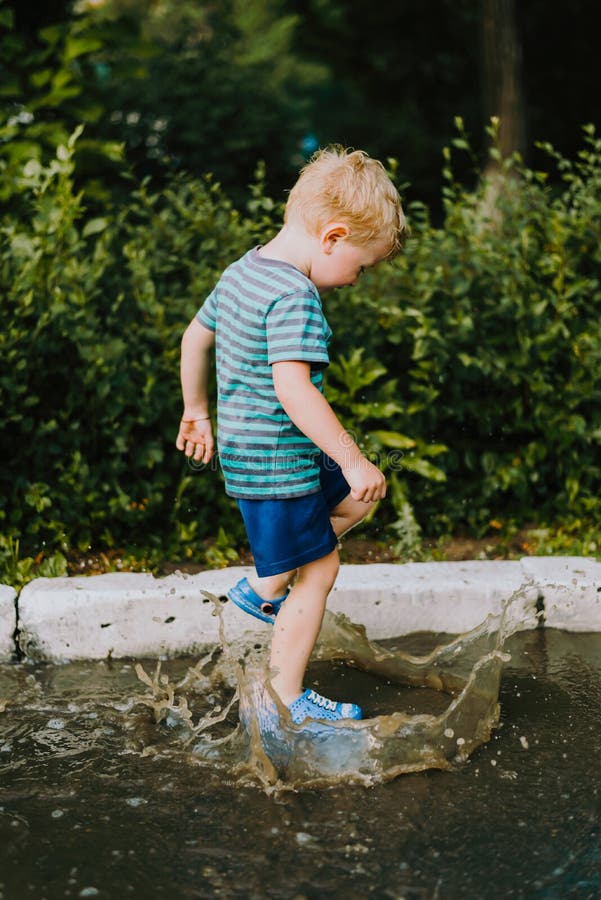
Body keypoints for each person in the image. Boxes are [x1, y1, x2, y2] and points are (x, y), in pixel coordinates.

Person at [176, 146, 407, 729]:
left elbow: (192, 339)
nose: (356, 280)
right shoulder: (295, 296)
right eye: (362, 266)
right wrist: (352, 457)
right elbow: (295, 390)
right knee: (324, 568)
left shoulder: (242, 271)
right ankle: (285, 696)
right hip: (280, 463)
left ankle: (272, 577)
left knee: (359, 499)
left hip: (263, 453)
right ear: (332, 236)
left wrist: (196, 411)